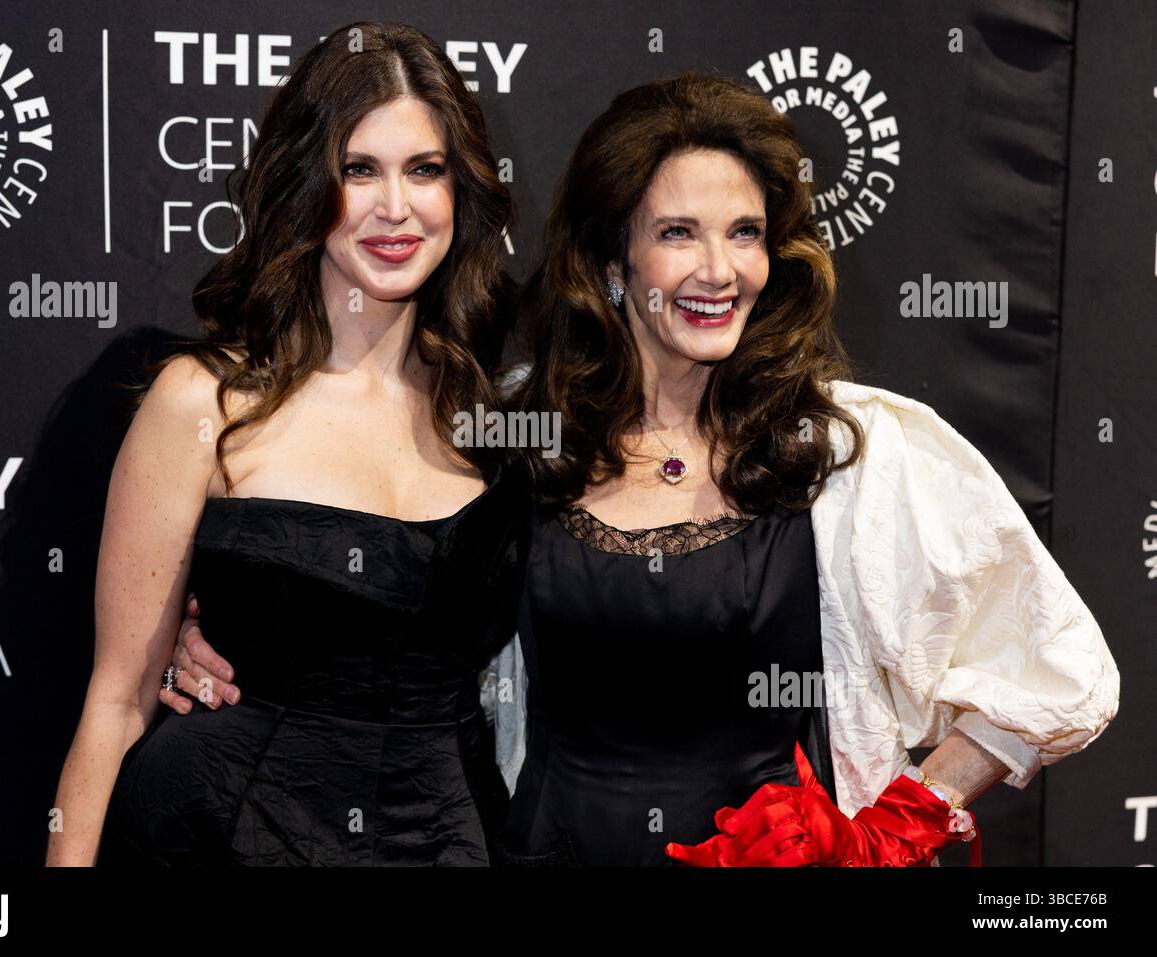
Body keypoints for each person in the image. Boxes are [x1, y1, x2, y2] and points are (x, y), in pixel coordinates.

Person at [163, 72, 1120, 867]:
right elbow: (385, 596)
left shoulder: (847, 453)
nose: (719, 269)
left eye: (745, 233)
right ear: (612, 259)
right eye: (677, 233)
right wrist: (213, 627)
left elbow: (1058, 672)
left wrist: (890, 830)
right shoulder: (518, 435)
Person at [46, 21, 530, 867]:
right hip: (225, 831)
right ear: (307, 184)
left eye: (425, 170)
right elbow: (117, 701)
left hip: (453, 834)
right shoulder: (205, 401)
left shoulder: (490, 414)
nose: (396, 207)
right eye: (359, 170)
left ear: (463, 191)